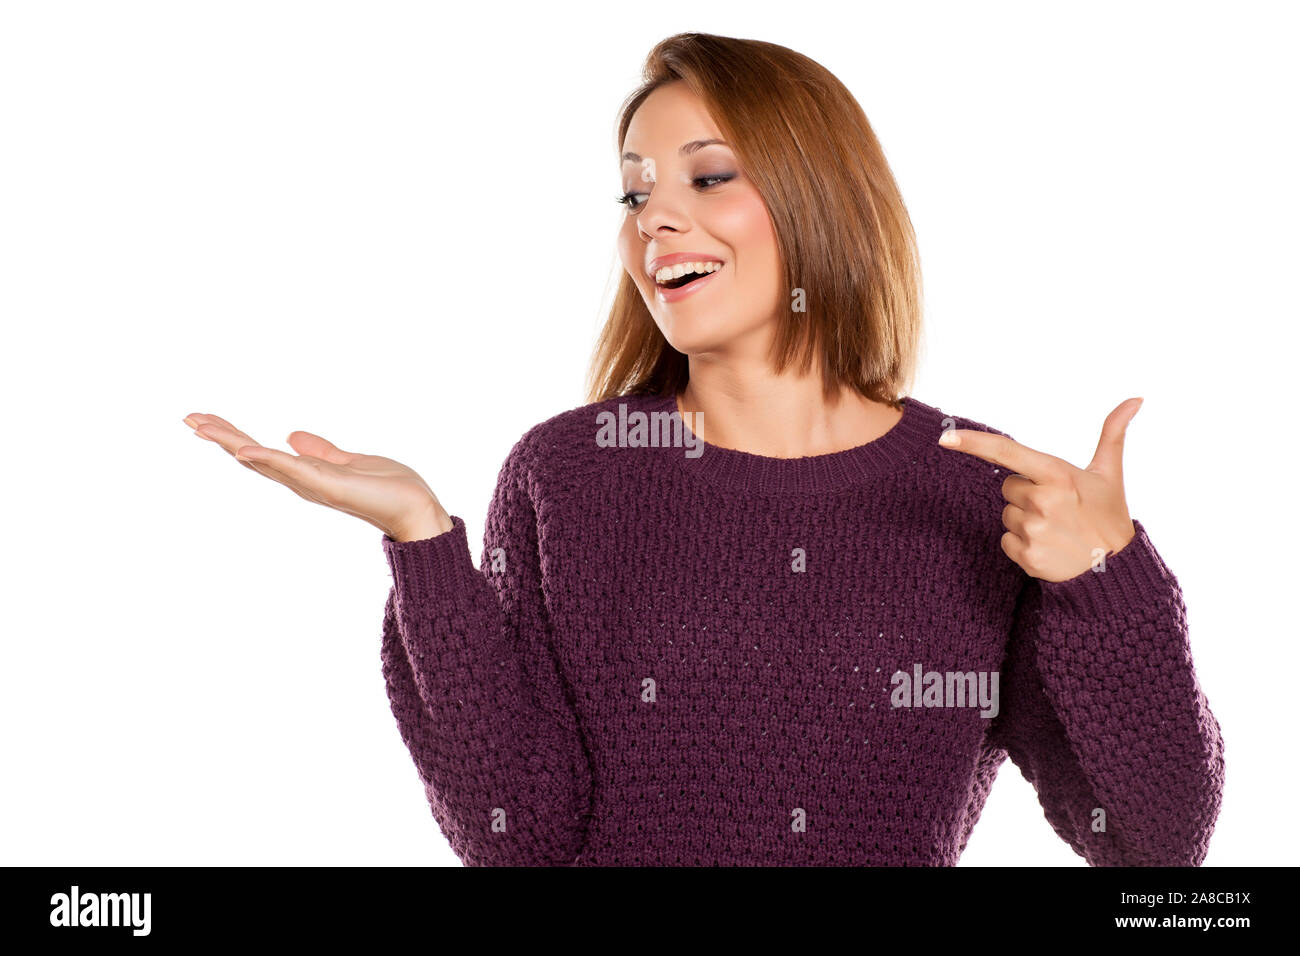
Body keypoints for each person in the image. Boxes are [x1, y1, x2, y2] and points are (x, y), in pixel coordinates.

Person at [183, 32, 1224, 866]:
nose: (653, 223)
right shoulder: (569, 473)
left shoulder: (983, 496)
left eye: (709, 176)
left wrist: (1105, 578)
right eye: (635, 193)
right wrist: (421, 539)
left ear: (823, 199)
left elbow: (1155, 845)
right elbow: (519, 837)